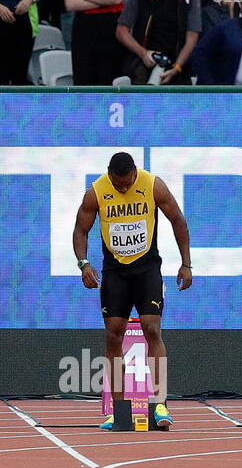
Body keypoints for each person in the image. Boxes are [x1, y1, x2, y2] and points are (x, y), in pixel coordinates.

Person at [73, 150, 191, 430]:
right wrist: (84, 264)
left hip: (147, 270)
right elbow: (80, 229)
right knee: (113, 335)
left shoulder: (153, 185)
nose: (124, 188)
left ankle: (160, 403)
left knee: (152, 330)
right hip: (116, 273)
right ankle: (118, 409)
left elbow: (177, 220)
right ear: (109, 174)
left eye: (128, 183)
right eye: (119, 184)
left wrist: (186, 264)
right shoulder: (97, 192)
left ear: (135, 172)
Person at [116, 0, 201, 85]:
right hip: (145, 62)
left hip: (177, 65)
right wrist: (143, 53)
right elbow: (121, 31)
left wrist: (177, 67)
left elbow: (192, 38)